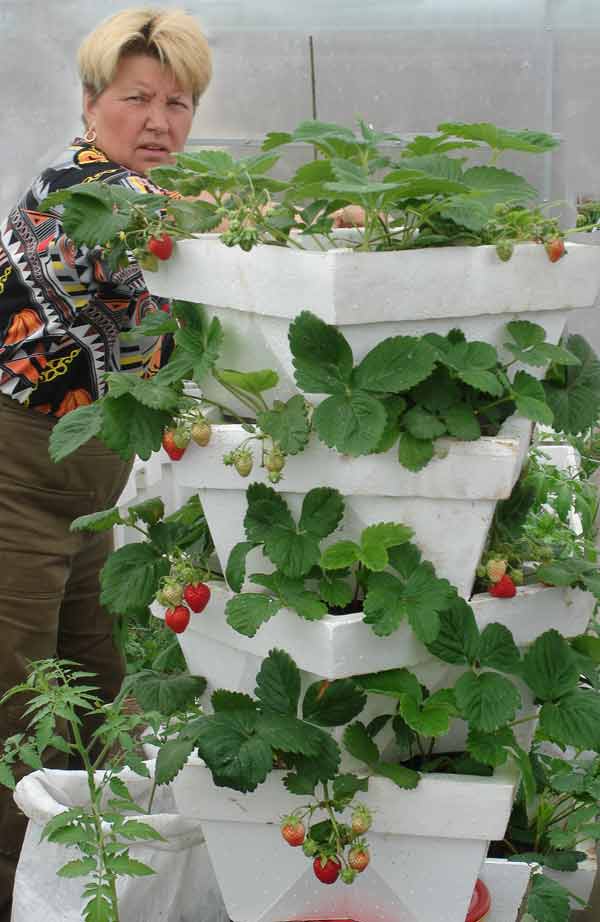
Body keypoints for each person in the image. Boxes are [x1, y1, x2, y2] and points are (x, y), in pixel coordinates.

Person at [0, 8, 212, 917]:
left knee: (96, 689)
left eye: (180, 102)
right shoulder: (84, 187)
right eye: (138, 99)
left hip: (88, 488)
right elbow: (196, 233)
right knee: (17, 693)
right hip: (15, 472)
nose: (160, 121)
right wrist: (339, 215)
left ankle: (92, 887)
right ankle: (15, 890)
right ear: (92, 105)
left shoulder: (157, 196)